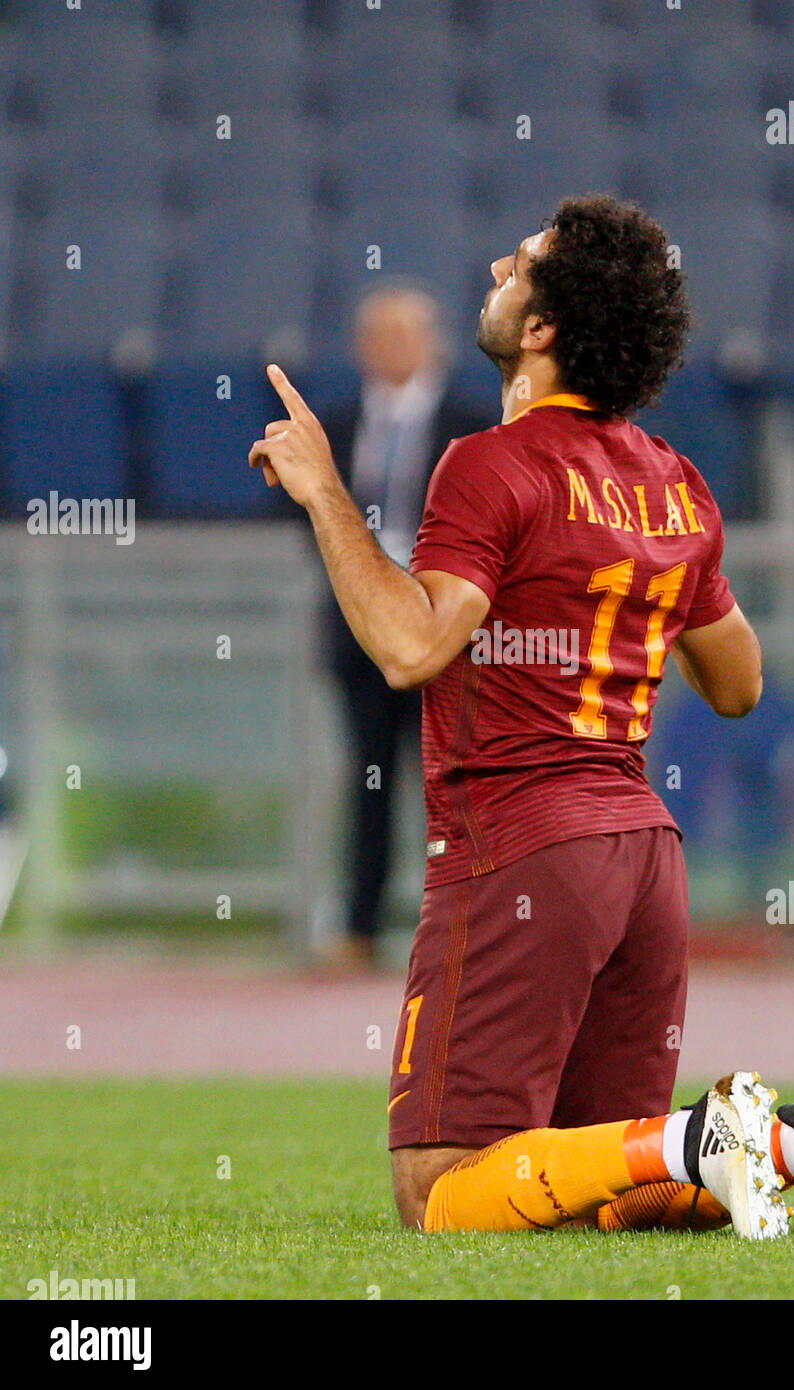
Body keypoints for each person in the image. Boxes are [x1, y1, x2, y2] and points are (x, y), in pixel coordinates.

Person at [248, 195, 794, 1239]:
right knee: (594, 1193)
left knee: (440, 1189)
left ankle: (701, 1136)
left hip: (520, 848)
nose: (496, 261)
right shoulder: (674, 481)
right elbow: (738, 682)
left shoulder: (488, 463)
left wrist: (325, 496)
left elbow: (409, 645)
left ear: (540, 330)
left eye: (520, 262)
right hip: (638, 854)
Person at [309, 285, 492, 969]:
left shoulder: (474, 425)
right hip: (360, 636)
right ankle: (360, 926)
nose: (389, 348)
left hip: (449, 631)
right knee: (369, 781)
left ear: (432, 341)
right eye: (376, 335)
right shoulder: (333, 427)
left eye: (403, 334)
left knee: (455, 785)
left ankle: (466, 929)